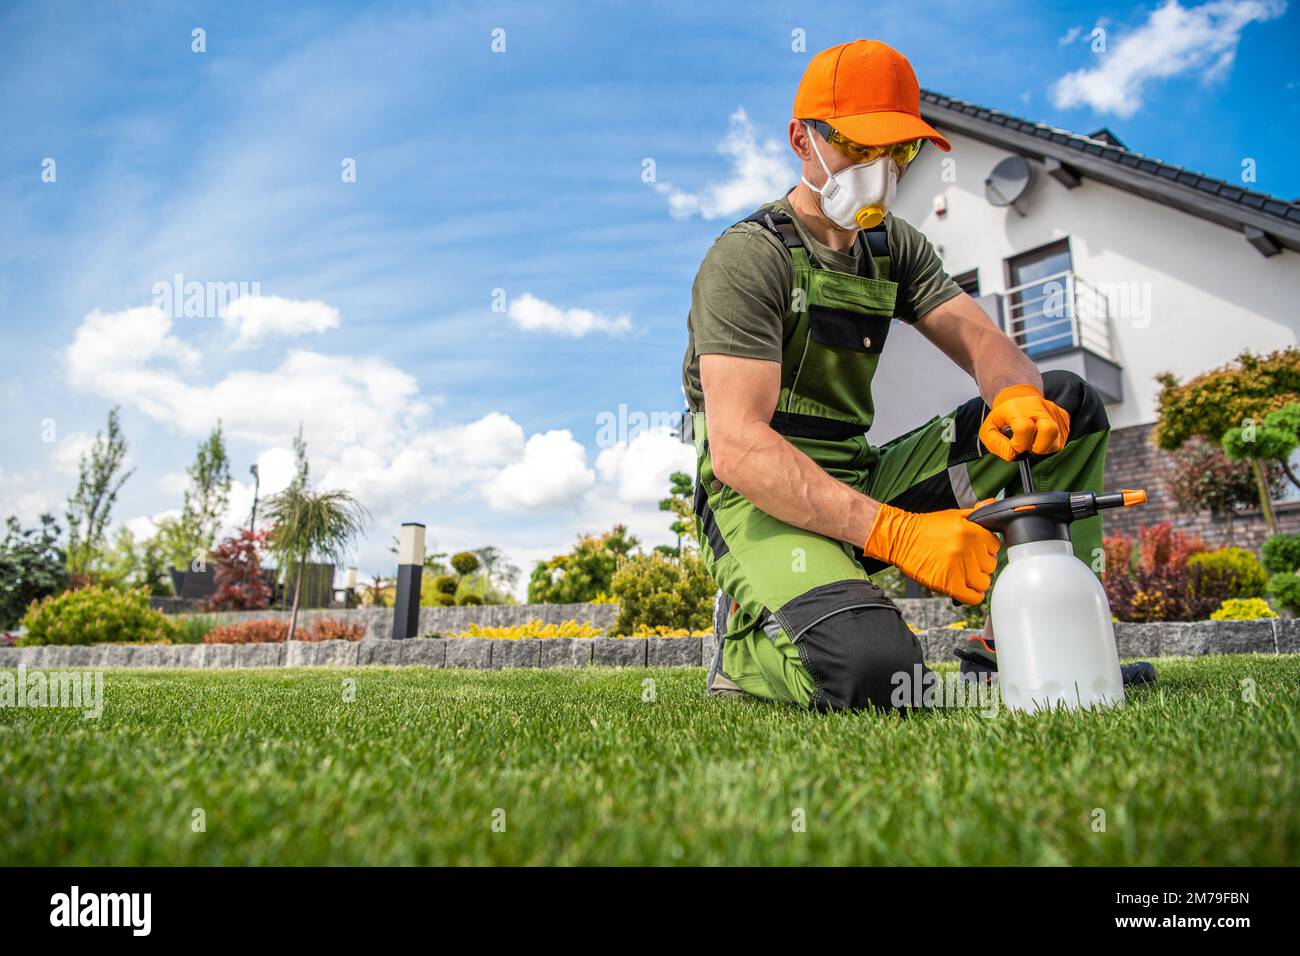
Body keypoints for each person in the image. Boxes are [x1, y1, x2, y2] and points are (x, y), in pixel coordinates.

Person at [681, 39, 1147, 711]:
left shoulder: (894, 247)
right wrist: (897, 535)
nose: (878, 172)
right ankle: (745, 646)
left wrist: (1015, 393)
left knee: (1066, 405)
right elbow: (739, 449)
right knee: (876, 677)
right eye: (858, 147)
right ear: (801, 140)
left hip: (863, 474)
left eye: (898, 151)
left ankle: (1012, 645)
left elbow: (985, 338)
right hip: (757, 498)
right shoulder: (748, 259)